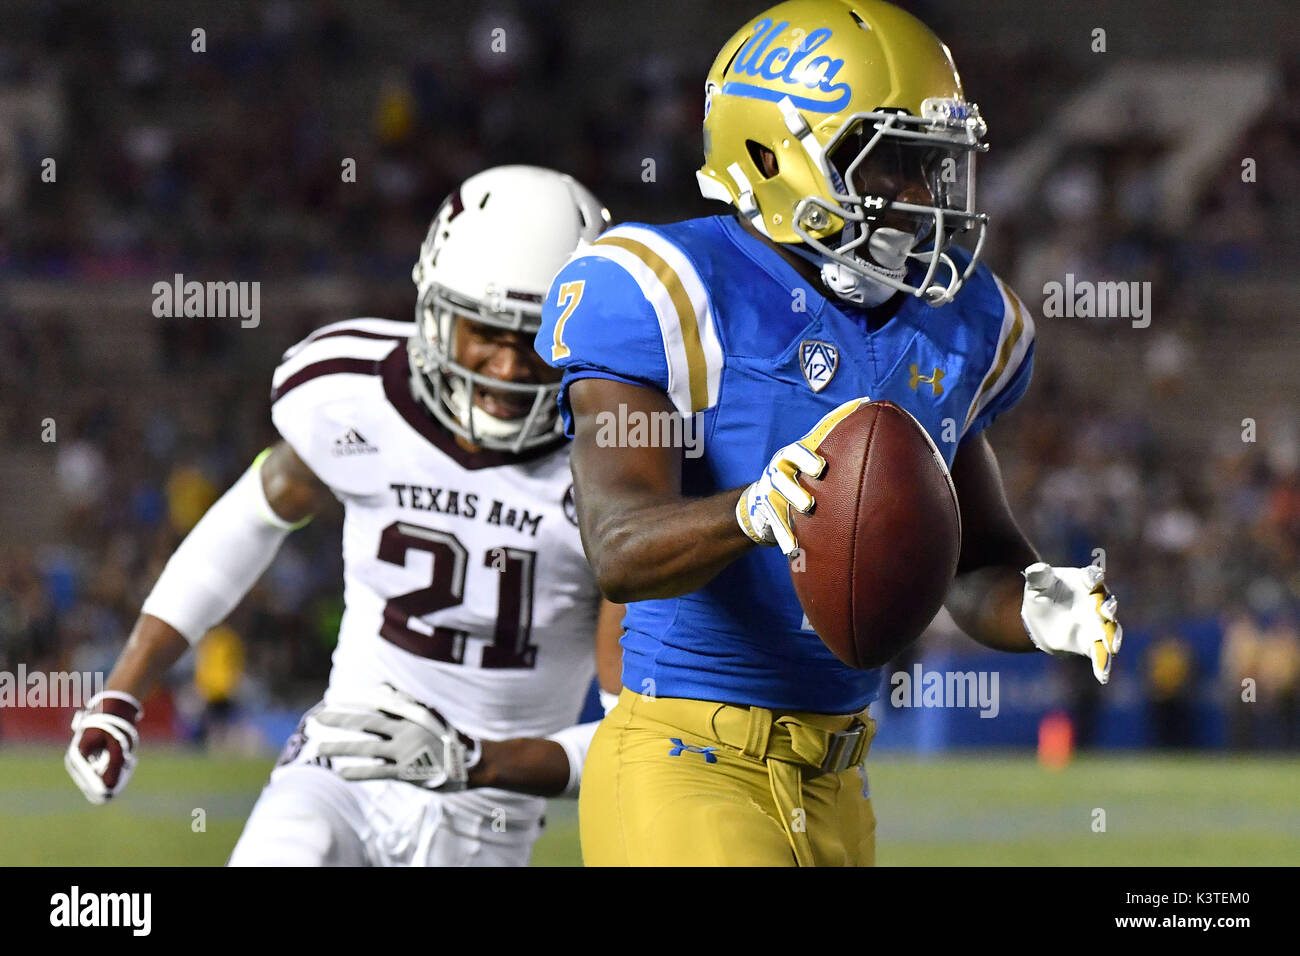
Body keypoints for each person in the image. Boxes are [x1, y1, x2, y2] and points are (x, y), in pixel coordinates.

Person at [536, 0, 1122, 866]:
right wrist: (751, 511)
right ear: (773, 155)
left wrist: (1038, 605)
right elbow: (618, 545)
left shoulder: (961, 322)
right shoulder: (667, 289)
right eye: (893, 167)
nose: (925, 196)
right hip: (686, 761)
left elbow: (969, 569)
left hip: (840, 777)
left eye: (936, 166)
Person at [66, 165, 624, 867]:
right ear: (435, 309)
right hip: (338, 766)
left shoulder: (620, 468)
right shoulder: (353, 392)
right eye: (485, 329)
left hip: (488, 818)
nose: (507, 368)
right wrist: (123, 692)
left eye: (537, 337)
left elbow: (631, 740)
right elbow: (245, 524)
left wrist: (474, 760)